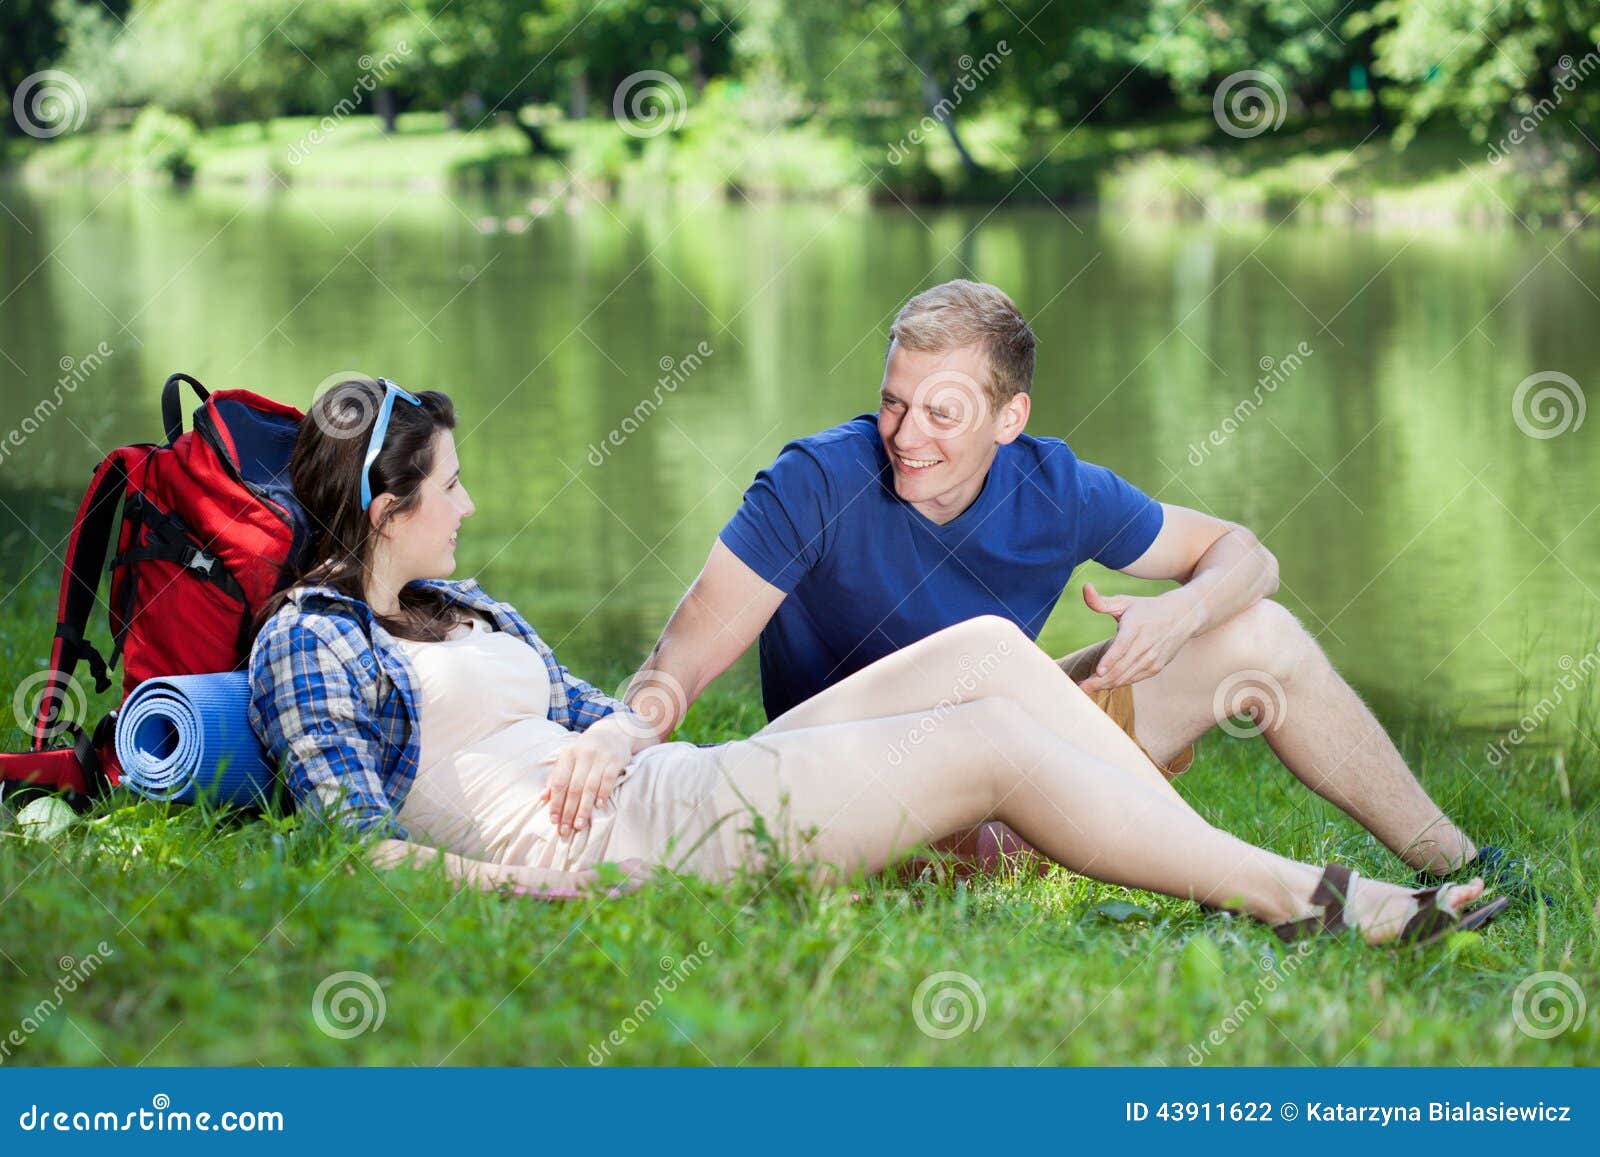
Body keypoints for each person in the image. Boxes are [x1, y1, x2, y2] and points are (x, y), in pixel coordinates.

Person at [246, 376, 1506, 947]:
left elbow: (609, 710)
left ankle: (1171, 850)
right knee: (996, 738)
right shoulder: (309, 640)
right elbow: (353, 841)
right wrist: (533, 892)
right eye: (451, 485)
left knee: (986, 649)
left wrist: (618, 727)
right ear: (390, 503)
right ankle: (1311, 896)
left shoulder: (464, 605)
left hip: (681, 780)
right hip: (635, 845)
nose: (467, 505)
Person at [594, 279, 1533, 898]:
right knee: (999, 659)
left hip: (1023, 782)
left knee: (1264, 635)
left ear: (1011, 417)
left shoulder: (1053, 484)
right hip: (871, 815)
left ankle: (1465, 870)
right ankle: (1264, 883)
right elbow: (681, 659)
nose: (905, 432)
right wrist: (622, 732)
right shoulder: (815, 481)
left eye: (942, 412)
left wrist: (1186, 608)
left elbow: (1246, 551)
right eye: (893, 400)